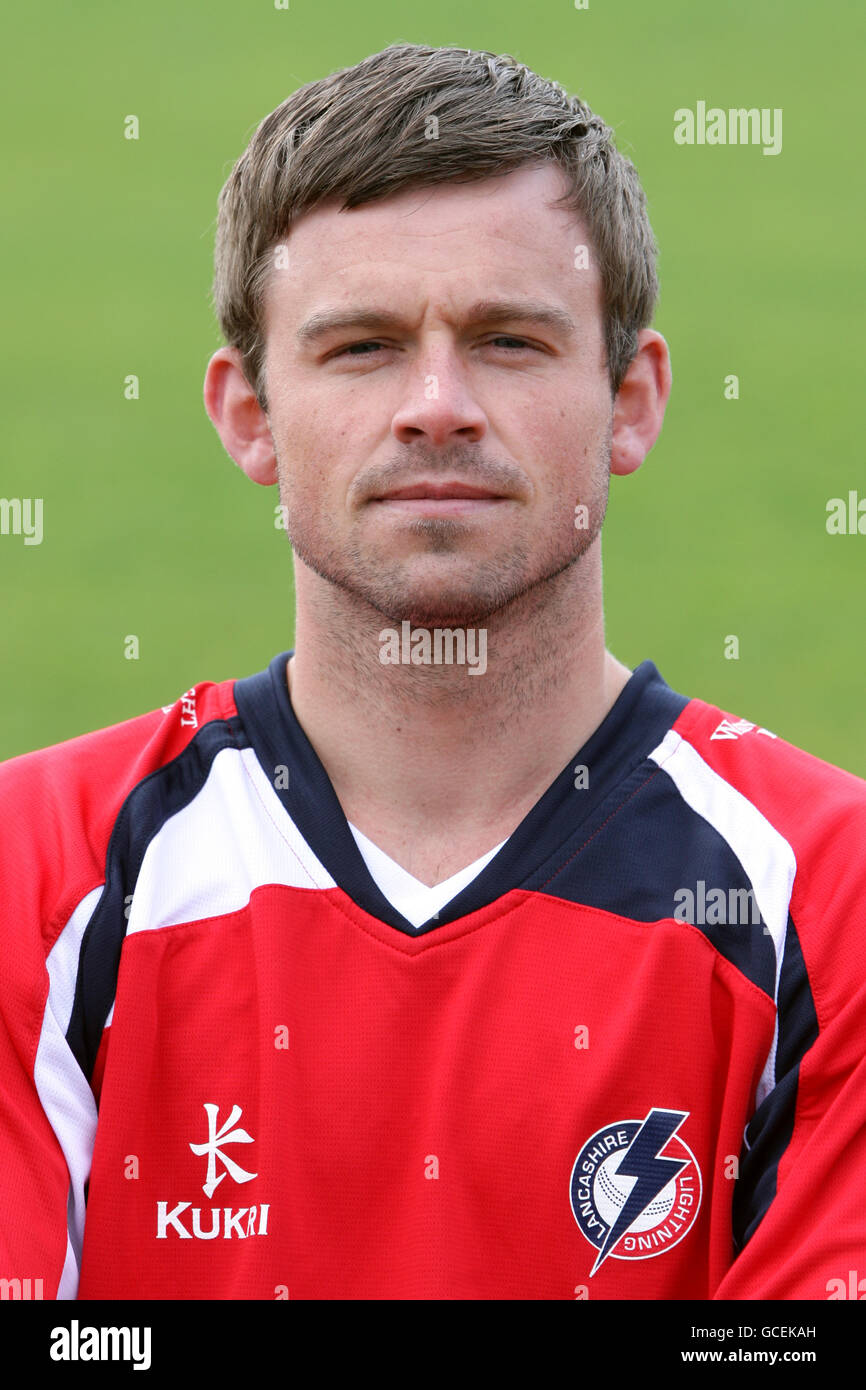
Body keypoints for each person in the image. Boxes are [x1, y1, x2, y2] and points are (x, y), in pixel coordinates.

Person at [1, 42, 863, 1302]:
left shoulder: (824, 902)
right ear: (248, 415)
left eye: (509, 341)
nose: (436, 406)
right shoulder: (41, 877)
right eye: (360, 347)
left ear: (629, 398)